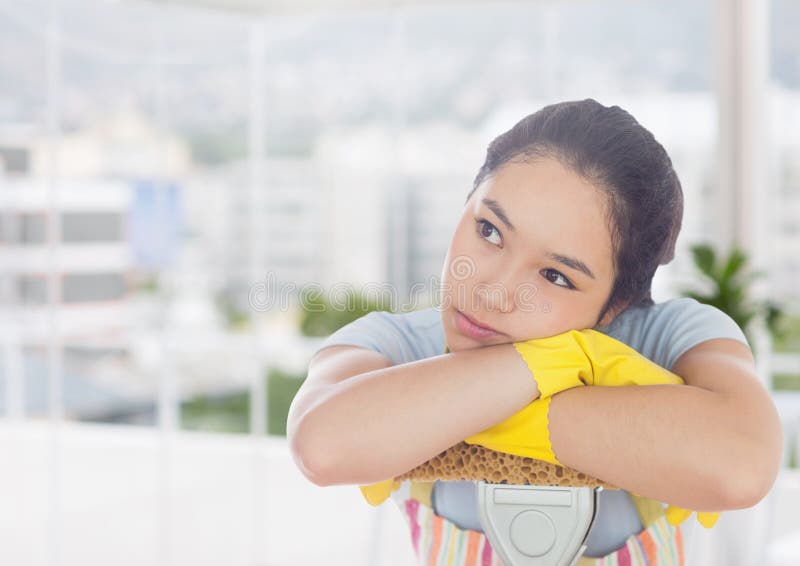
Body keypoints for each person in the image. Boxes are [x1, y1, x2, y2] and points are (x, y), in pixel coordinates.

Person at [286, 99, 783, 564]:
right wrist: (555, 362)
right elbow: (322, 446)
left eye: (556, 276)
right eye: (490, 231)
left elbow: (741, 465)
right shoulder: (394, 344)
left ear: (615, 305)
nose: (493, 292)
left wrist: (426, 412)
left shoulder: (669, 340)